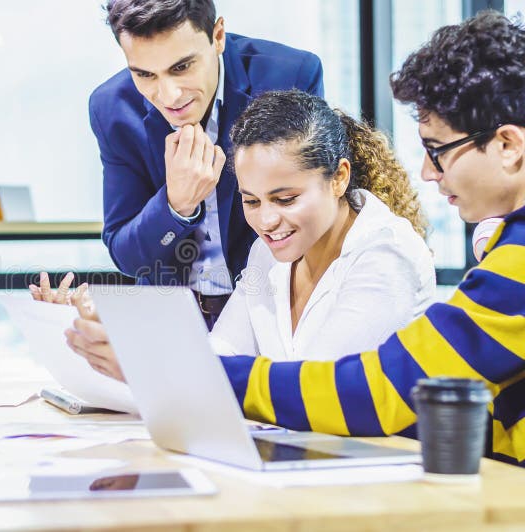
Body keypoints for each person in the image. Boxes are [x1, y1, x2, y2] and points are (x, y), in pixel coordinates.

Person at [72, 11, 525, 466]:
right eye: (250, 202)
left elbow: (377, 389)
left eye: (437, 151)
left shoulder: (405, 253)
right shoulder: (265, 257)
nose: (427, 172)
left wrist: (167, 368)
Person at [38, 0, 324, 328]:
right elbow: (127, 254)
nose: (169, 95)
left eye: (181, 67)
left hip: (274, 311)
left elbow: (311, 212)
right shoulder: (113, 108)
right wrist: (176, 206)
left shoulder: (289, 75)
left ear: (217, 35)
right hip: (172, 321)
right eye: (145, 74)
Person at [209, 90, 434, 361]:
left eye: (285, 199)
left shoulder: (387, 253)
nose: (266, 221)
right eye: (252, 201)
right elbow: (219, 354)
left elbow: (317, 385)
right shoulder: (264, 253)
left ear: (339, 178)